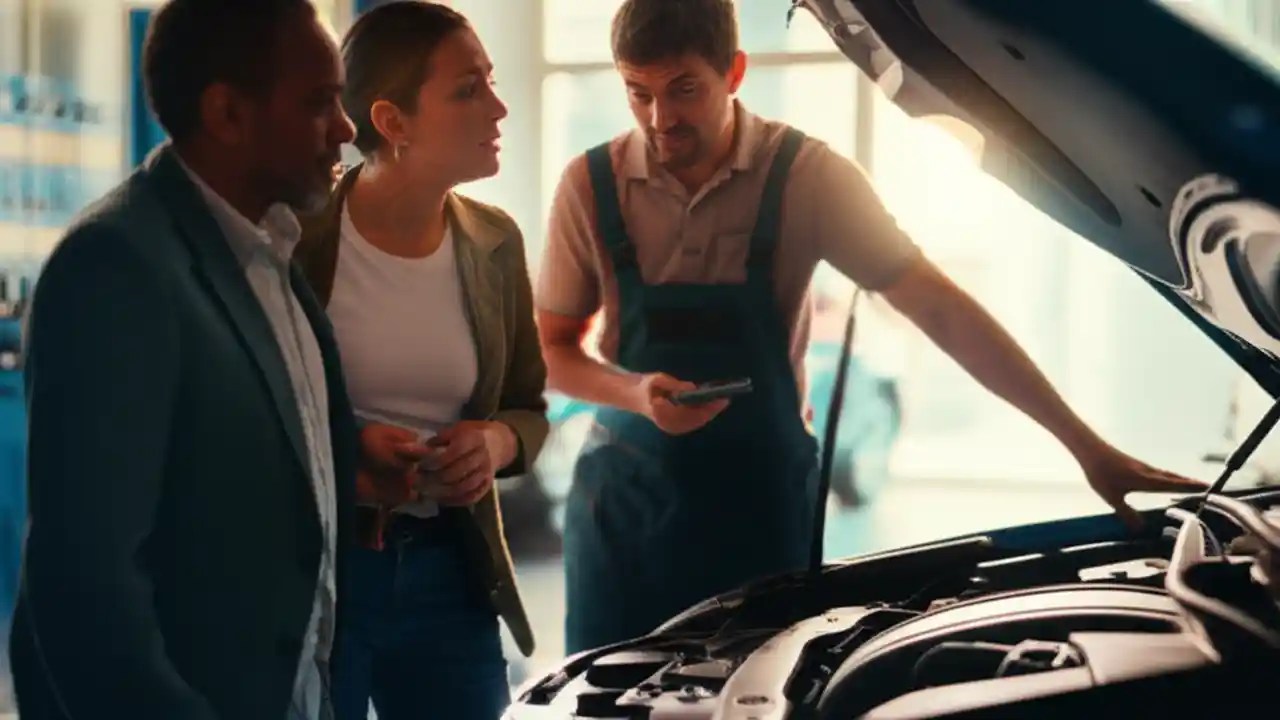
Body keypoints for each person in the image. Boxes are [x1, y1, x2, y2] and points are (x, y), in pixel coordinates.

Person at [535, 0, 1208, 653]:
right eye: (637, 92)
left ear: (734, 72)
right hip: (622, 512)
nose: (660, 119)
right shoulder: (588, 185)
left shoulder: (808, 176)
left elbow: (940, 308)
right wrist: (635, 393)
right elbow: (554, 351)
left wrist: (1085, 446)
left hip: (761, 507)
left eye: (683, 89)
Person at [8, 1, 359, 718]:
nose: (346, 130)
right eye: (320, 102)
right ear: (228, 113)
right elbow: (86, 590)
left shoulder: (269, 247)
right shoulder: (116, 265)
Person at [293, 3, 548, 718]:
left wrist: (495, 443)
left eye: (491, 81)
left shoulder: (495, 243)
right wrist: (351, 453)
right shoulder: (296, 241)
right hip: (327, 572)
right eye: (468, 90)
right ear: (392, 121)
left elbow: (528, 410)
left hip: (452, 570)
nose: (499, 108)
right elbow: (252, 414)